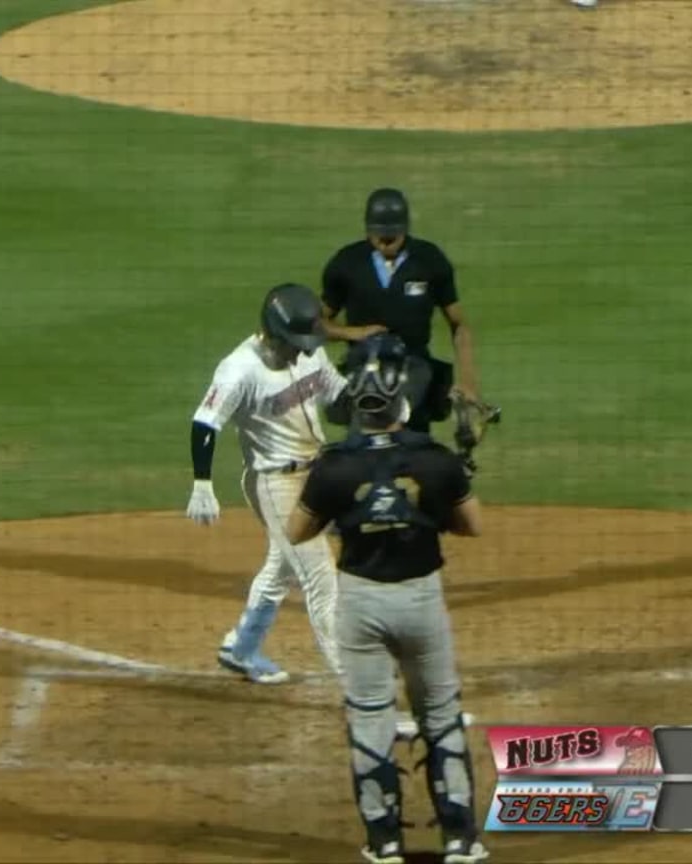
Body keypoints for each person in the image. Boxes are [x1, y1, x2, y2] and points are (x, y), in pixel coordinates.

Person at [285, 333, 490, 864]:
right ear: (403, 402)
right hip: (421, 602)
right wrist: (442, 495)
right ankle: (461, 840)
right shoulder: (436, 460)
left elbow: (297, 532)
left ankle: (386, 842)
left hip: (360, 605)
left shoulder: (334, 466)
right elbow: (472, 526)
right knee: (441, 716)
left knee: (371, 717)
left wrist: (348, 510)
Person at [184, 282, 350, 684]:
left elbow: (338, 399)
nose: (305, 349)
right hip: (277, 485)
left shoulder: (310, 352)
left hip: (319, 474)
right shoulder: (240, 369)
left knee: (282, 565)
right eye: (297, 342)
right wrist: (202, 483)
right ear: (273, 334)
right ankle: (363, 691)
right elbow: (205, 422)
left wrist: (379, 401)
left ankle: (241, 648)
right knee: (321, 580)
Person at [320, 188, 482, 435]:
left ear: (405, 229)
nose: (385, 242)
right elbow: (316, 324)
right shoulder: (347, 264)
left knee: (411, 444)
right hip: (363, 368)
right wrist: (355, 333)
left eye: (392, 236)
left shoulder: (429, 260)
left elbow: (459, 325)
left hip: (413, 366)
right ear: (368, 229)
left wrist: (468, 383)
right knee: (362, 447)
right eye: (379, 236)